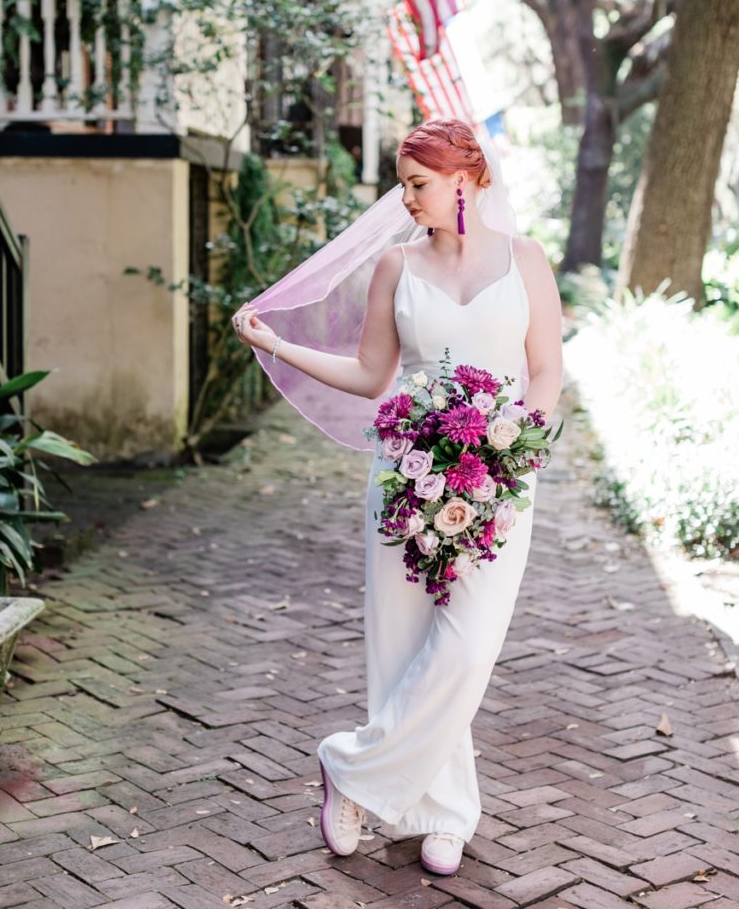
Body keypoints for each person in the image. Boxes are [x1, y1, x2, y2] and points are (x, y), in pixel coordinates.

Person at [230, 118, 563, 877]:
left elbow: (545, 371)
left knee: (467, 645)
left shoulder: (527, 262)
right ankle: (437, 811)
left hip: (500, 481)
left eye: (416, 183)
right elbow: (369, 374)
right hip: (406, 474)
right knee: (404, 643)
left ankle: (347, 766)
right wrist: (276, 344)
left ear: (464, 179)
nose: (405, 197)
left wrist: (514, 446)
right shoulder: (396, 266)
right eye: (403, 183)